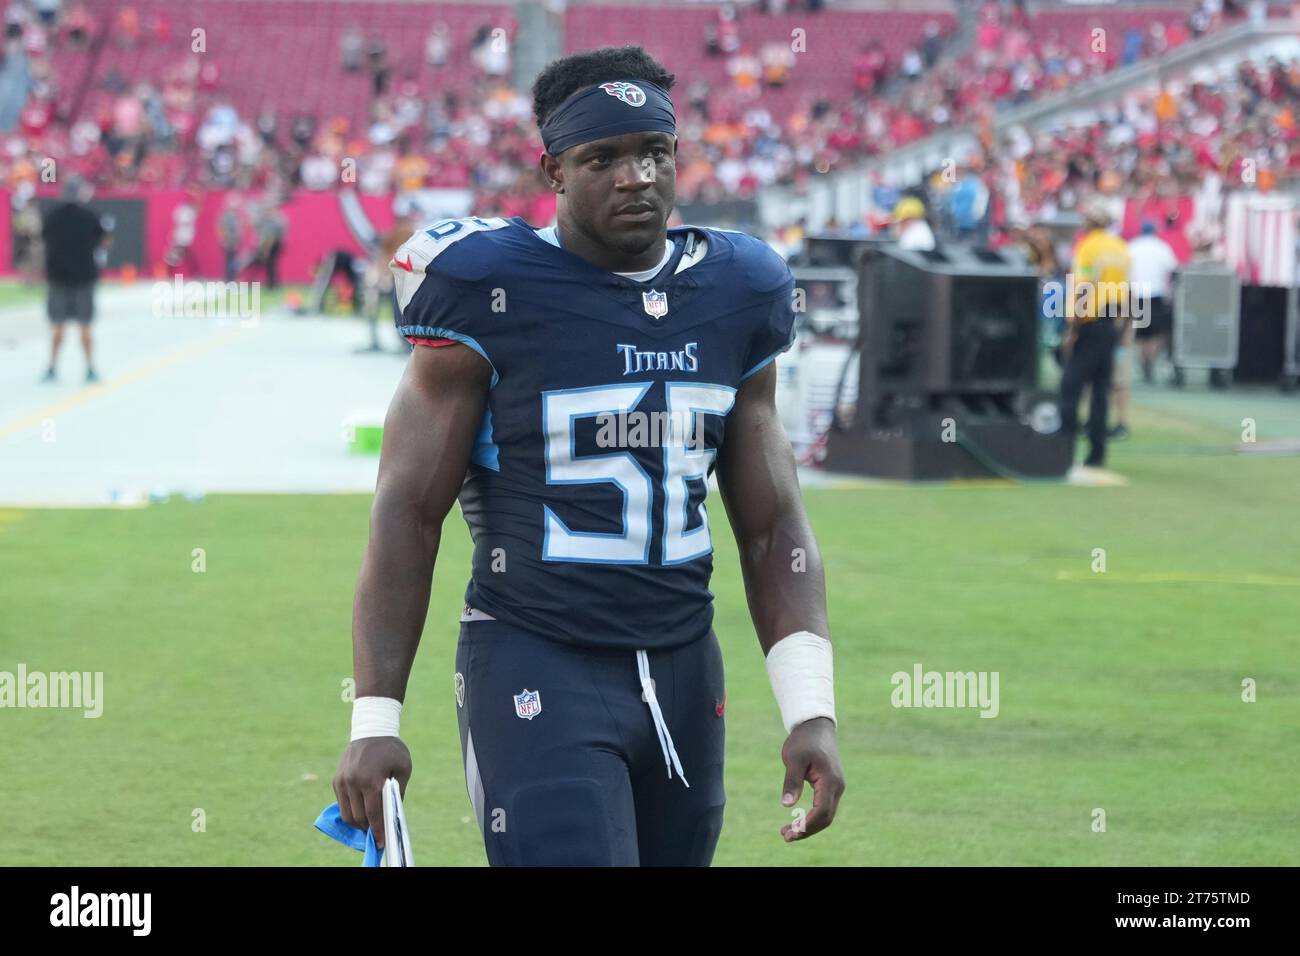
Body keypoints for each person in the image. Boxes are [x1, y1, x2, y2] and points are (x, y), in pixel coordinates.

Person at [332, 45, 844, 867]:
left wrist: (810, 707)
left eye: (654, 152)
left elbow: (771, 521)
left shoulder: (737, 290)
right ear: (555, 172)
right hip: (535, 654)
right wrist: (375, 722)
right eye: (602, 157)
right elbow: (407, 511)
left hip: (684, 667)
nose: (636, 175)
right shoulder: (490, 287)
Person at [1061, 198, 1130, 467]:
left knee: (1070, 387)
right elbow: (1126, 291)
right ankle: (1097, 453)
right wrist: (1122, 329)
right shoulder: (1121, 249)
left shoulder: (1087, 248)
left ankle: (1063, 449)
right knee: (1101, 391)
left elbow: (1084, 287)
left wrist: (1073, 328)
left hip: (1089, 324)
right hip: (1111, 323)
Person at [41, 176, 108, 383]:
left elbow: (44, 240)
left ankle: (52, 367)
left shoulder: (52, 216)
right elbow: (103, 242)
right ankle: (89, 368)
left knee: (57, 326)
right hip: (84, 277)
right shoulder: (90, 216)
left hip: (58, 277)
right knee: (85, 326)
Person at [1127, 220, 1178, 384]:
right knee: (1156, 333)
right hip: (1155, 294)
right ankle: (1150, 360)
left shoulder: (1132, 246)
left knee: (1140, 333)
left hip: (1136, 294)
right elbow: (1172, 269)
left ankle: (1144, 360)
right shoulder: (1162, 247)